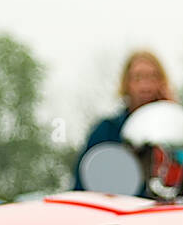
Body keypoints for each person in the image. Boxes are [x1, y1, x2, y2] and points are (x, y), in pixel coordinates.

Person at [73, 50, 174, 190]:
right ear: (126, 84)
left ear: (162, 83)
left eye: (152, 77)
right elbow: (83, 184)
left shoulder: (174, 133)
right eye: (138, 78)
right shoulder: (106, 131)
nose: (145, 86)